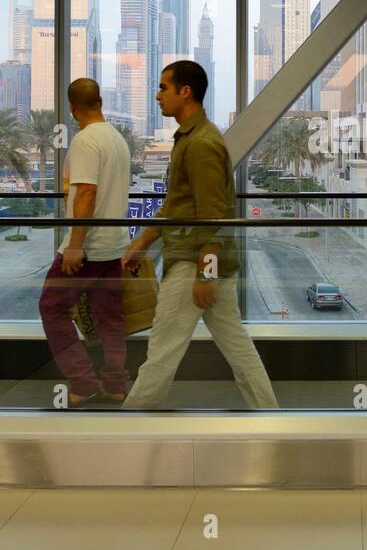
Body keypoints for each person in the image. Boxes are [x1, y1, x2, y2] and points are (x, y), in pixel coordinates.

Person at [121, 60, 278, 410]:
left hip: (194, 263)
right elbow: (174, 207)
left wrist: (205, 273)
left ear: (185, 91)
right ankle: (271, 417)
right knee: (238, 347)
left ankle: (128, 427)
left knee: (162, 351)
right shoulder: (190, 138)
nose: (157, 95)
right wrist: (140, 245)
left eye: (163, 87)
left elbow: (215, 214)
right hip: (203, 262)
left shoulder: (202, 143)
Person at [38, 78, 131, 407]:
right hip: (114, 245)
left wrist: (75, 245)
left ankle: (82, 380)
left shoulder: (86, 141)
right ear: (101, 102)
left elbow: (87, 192)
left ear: (72, 107)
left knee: (51, 307)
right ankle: (116, 385)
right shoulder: (117, 139)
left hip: (88, 246)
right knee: (110, 318)